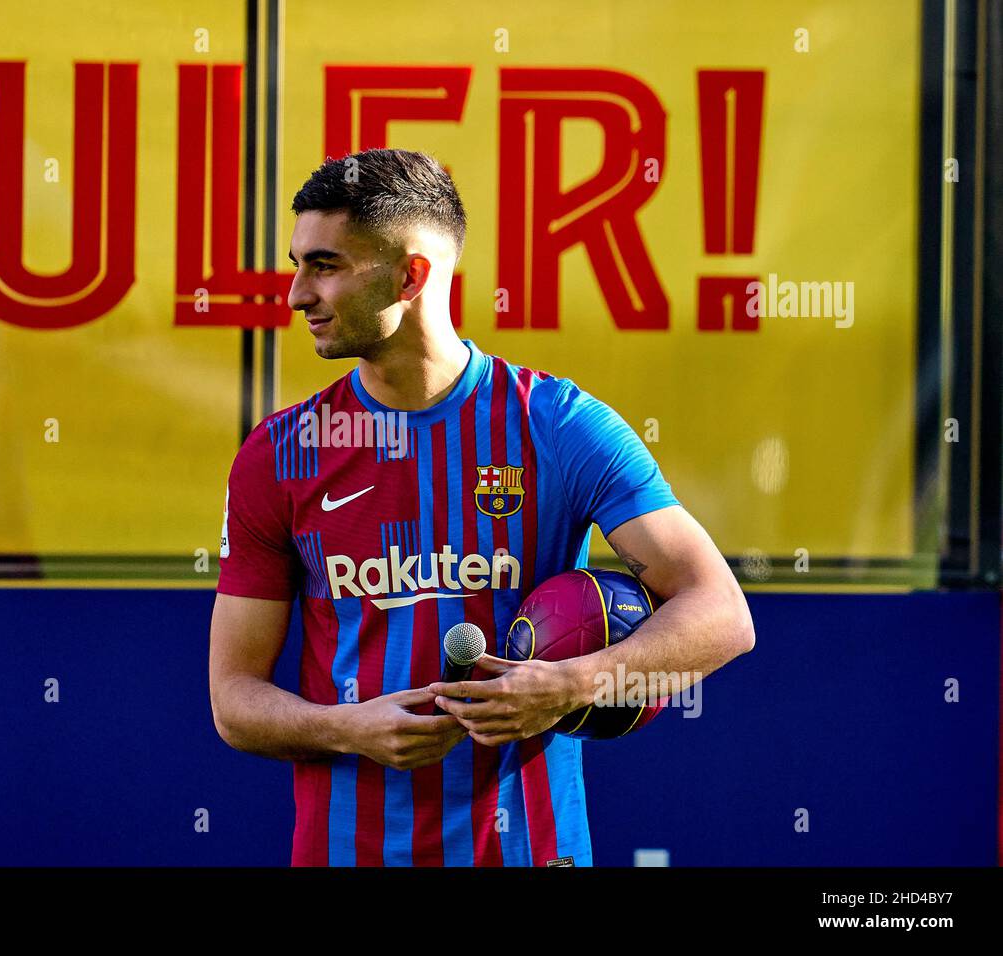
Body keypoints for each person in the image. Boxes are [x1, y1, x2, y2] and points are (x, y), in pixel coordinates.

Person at [208, 148, 754, 866]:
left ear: (412, 275)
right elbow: (233, 699)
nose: (296, 293)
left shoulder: (557, 425)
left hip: (533, 851)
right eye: (298, 263)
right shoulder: (280, 454)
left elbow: (721, 613)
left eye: (325, 265)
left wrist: (570, 685)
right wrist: (346, 727)